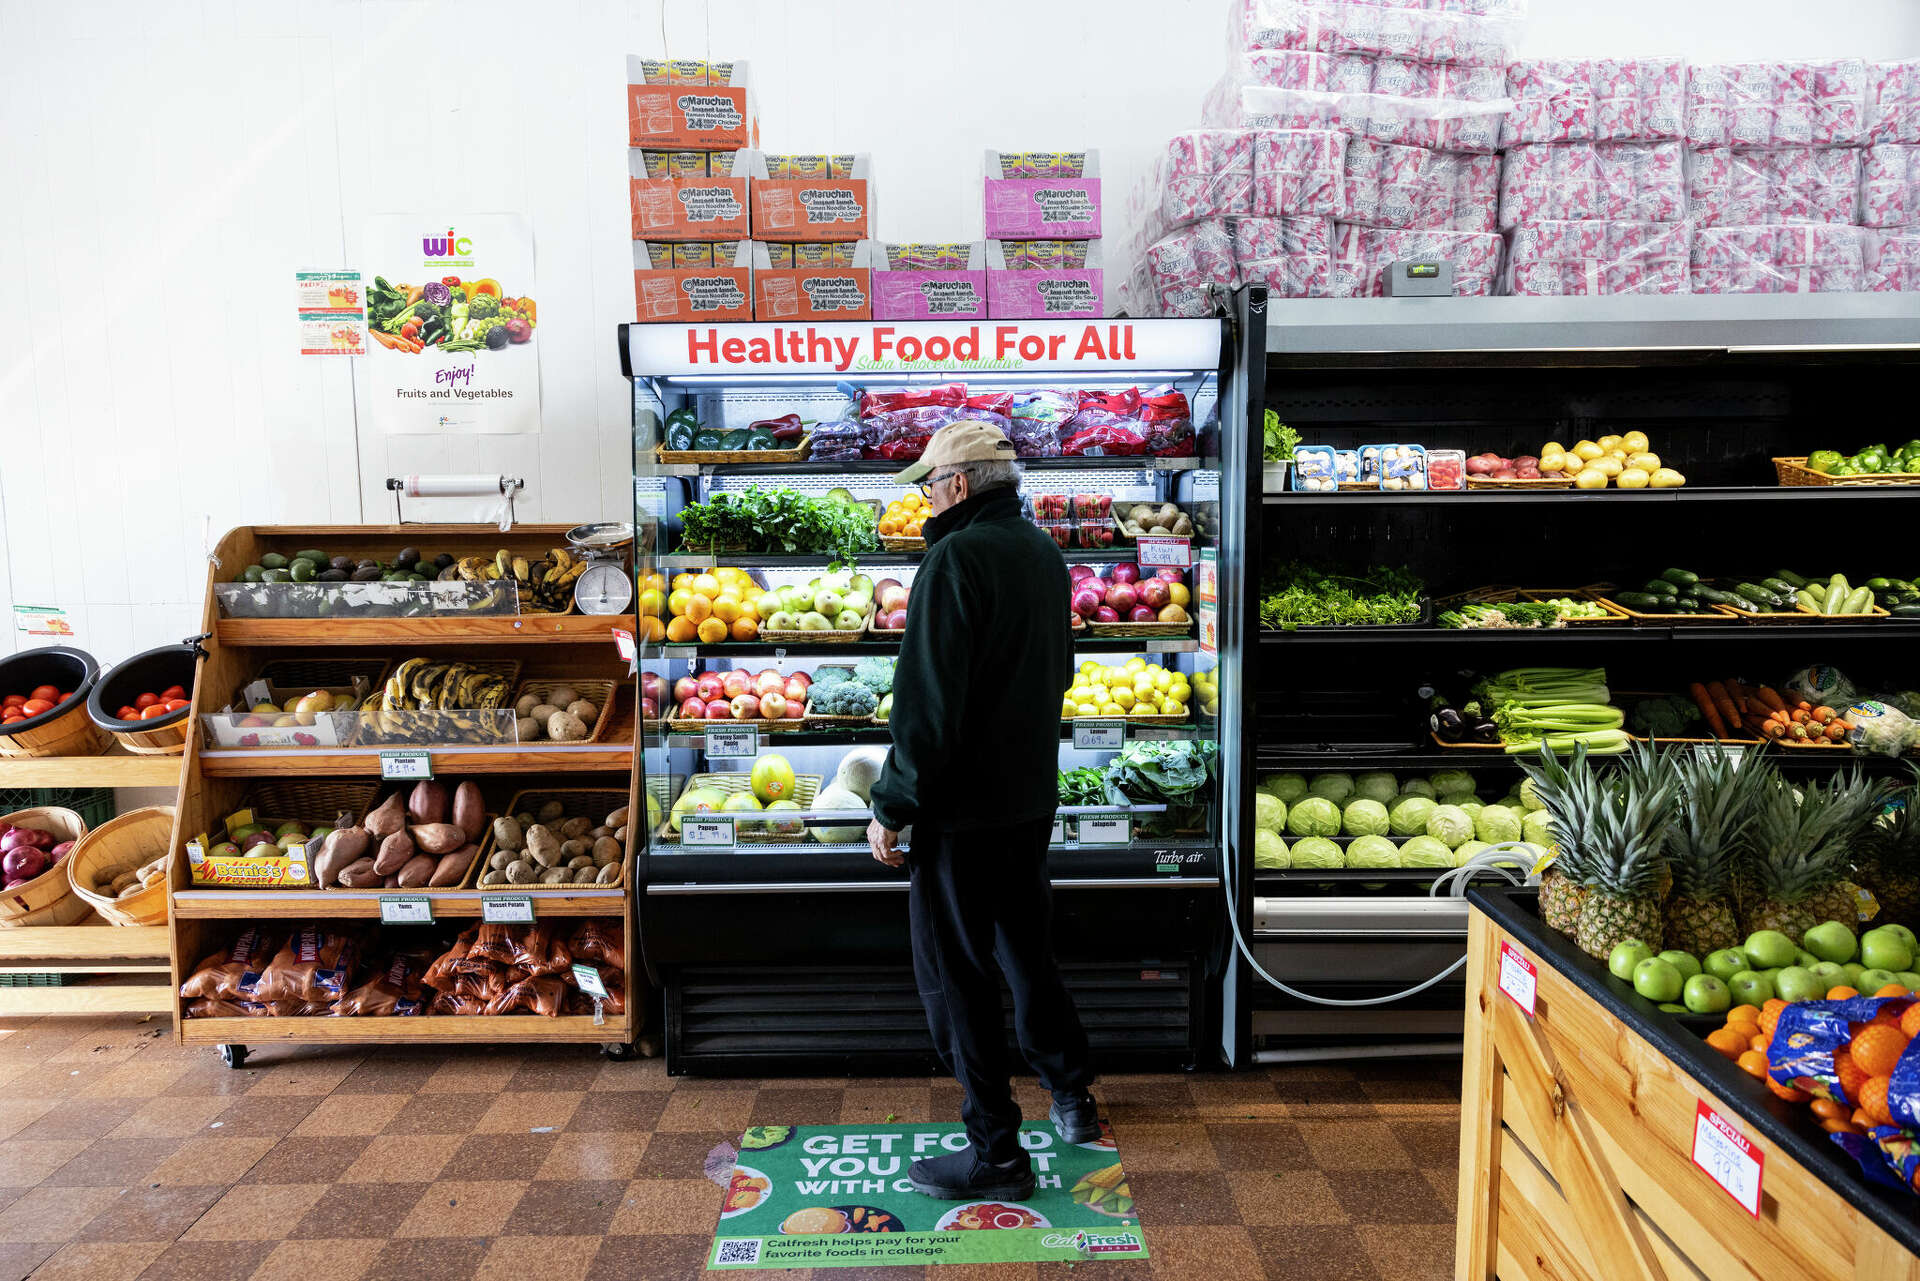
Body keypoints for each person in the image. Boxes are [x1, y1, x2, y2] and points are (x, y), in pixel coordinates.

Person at [866, 420, 1099, 1203]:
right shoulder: (1042, 553)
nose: (928, 498)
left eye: (931, 484)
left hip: (960, 816)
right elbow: (1060, 673)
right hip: (1027, 800)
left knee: (960, 979)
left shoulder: (952, 559)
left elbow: (926, 713)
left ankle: (996, 1149)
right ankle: (1072, 1098)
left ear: (958, 486)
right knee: (1027, 954)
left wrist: (892, 806)